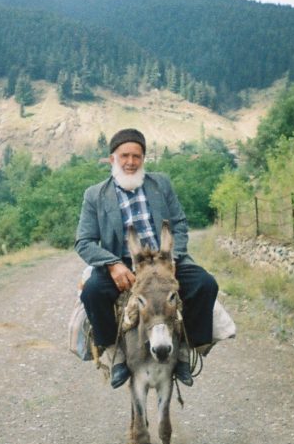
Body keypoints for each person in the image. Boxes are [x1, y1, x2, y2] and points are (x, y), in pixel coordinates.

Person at [75, 128, 219, 388]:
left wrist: (172, 259)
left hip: (163, 261)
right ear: (112, 159)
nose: (131, 162)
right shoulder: (95, 195)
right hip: (122, 263)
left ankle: (184, 351)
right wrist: (112, 264)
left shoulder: (160, 184)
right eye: (124, 156)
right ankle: (116, 356)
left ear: (143, 158)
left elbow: (179, 224)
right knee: (92, 293)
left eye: (137, 156)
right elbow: (84, 242)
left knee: (205, 284)